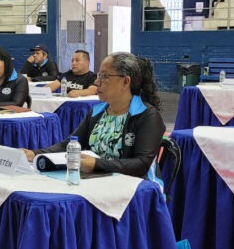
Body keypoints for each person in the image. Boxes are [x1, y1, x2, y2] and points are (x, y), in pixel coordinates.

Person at [23, 52, 166, 177]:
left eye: (104, 77)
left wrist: (97, 164)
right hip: (98, 180)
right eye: (98, 76)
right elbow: (70, 144)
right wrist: (35, 153)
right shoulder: (97, 111)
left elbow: (141, 164)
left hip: (138, 189)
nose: (97, 82)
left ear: (125, 81)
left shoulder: (147, 115)